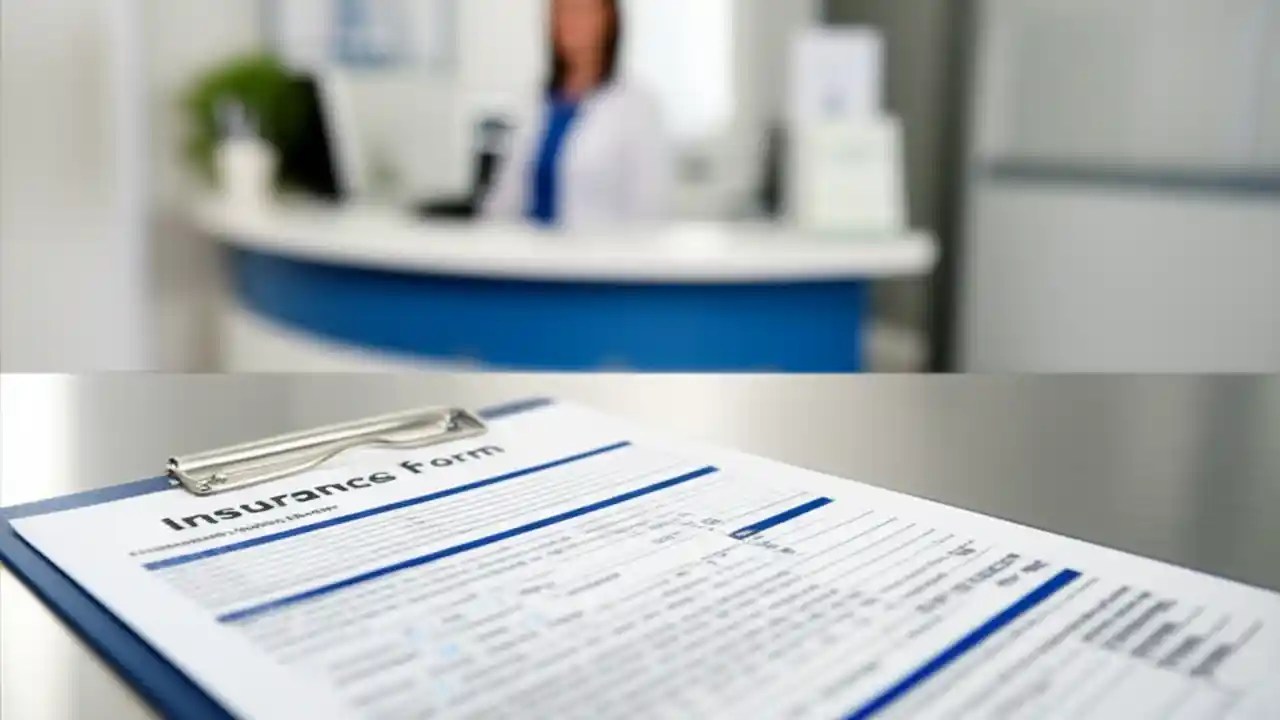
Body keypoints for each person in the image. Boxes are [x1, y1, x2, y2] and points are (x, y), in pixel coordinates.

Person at [483, 0, 673, 227]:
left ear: (609, 20)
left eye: (582, 11)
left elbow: (649, 211)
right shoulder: (534, 101)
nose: (570, 22)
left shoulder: (637, 107)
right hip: (528, 255)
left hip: (600, 258)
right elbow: (504, 197)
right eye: (561, 11)